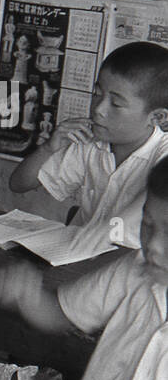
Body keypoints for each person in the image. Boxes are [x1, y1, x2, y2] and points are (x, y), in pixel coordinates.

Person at [0, 157, 168, 380]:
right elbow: (60, 313)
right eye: (147, 227)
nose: (155, 246)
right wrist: (27, 296)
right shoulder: (134, 269)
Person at [10, 41, 168, 255]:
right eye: (97, 94)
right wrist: (49, 148)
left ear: (157, 117)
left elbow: (146, 203)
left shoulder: (163, 155)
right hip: (77, 257)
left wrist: (97, 233)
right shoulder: (89, 141)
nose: (99, 110)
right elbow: (18, 184)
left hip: (132, 268)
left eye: (116, 104)